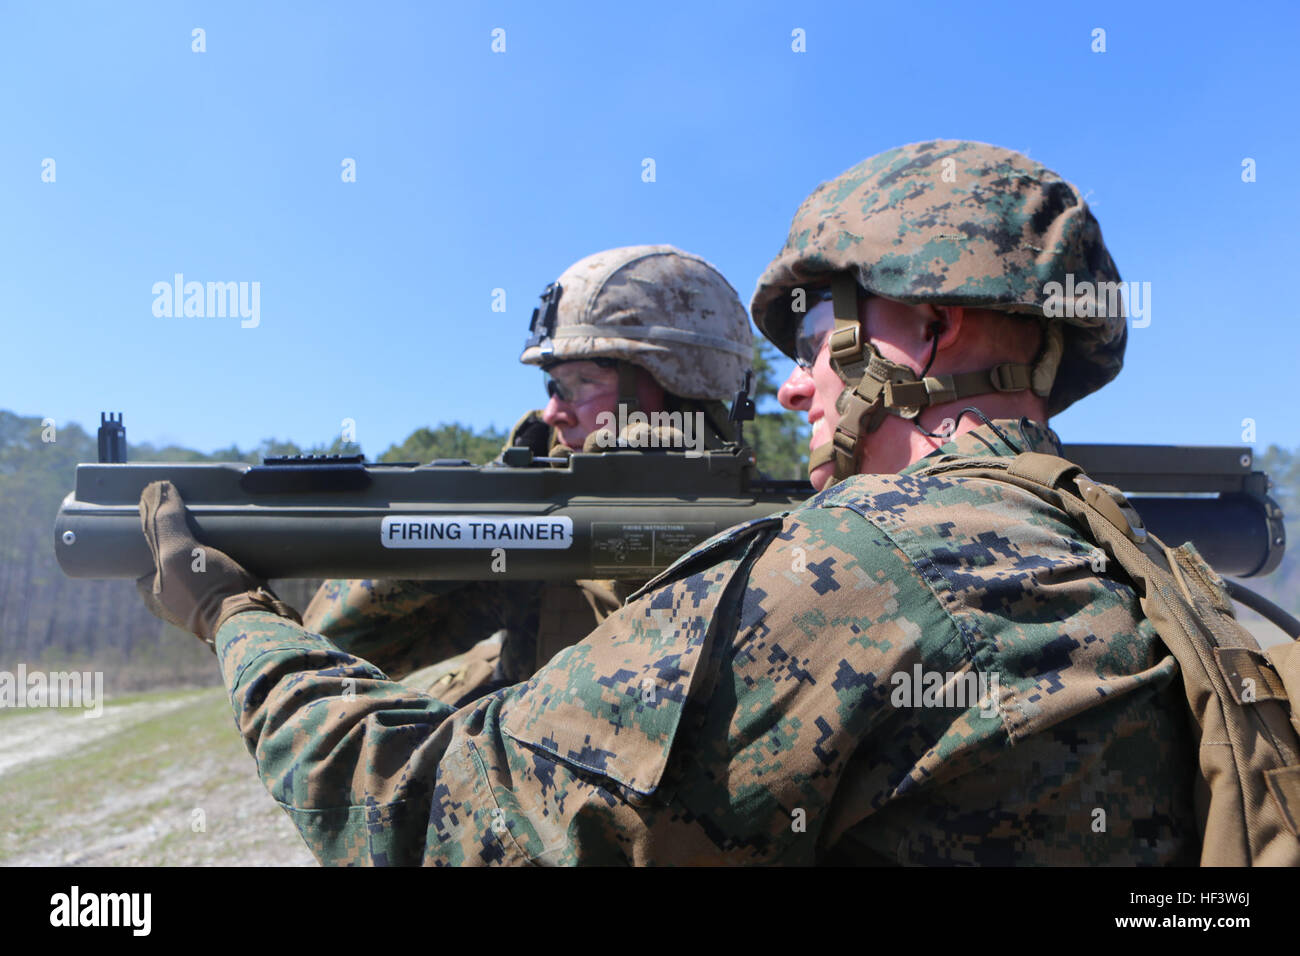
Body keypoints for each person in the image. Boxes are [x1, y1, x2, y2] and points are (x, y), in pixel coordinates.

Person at [136, 140, 1199, 864]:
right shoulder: (1152, 564)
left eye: (821, 332)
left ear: (929, 330)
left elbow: (414, 809)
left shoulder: (856, 571)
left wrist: (234, 621)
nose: (795, 384)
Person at [299, 244, 753, 707]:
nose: (554, 412)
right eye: (553, 386)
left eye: (583, 382)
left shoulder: (764, 548)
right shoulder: (538, 542)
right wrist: (469, 518)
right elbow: (334, 648)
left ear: (683, 386)